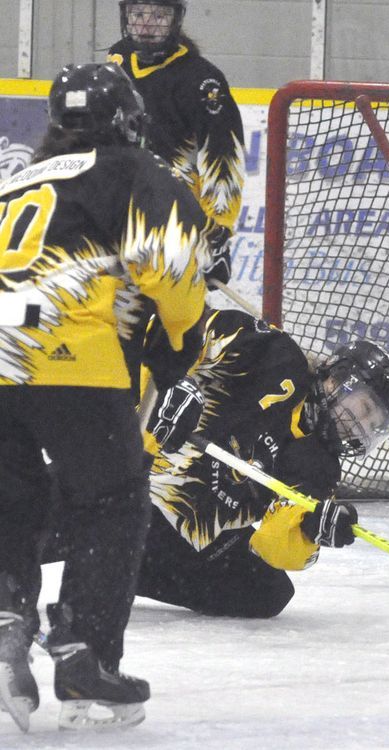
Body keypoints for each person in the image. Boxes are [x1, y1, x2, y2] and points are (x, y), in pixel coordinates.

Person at [0, 62, 207, 732]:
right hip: (72, 362)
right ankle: (86, 656)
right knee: (112, 500)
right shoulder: (130, 168)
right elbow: (168, 265)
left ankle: (6, 619)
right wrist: (184, 338)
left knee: (13, 498)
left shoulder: (13, 184)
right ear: (127, 119)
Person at [44, 310, 389, 619]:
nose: (361, 427)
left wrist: (311, 530)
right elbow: (186, 330)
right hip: (129, 481)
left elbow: (273, 545)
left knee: (267, 591)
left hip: (176, 541)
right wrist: (176, 382)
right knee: (20, 521)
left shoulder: (320, 465)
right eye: (364, 408)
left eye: (374, 425)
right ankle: (95, 544)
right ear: (336, 378)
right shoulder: (276, 355)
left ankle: (124, 564)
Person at [108, 0, 246, 378]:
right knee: (111, 335)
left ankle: (149, 430)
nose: (147, 24)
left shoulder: (202, 81)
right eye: (138, 14)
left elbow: (223, 163)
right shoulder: (115, 63)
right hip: (117, 226)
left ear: (176, 20)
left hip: (172, 232)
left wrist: (216, 235)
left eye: (158, 15)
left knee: (167, 344)